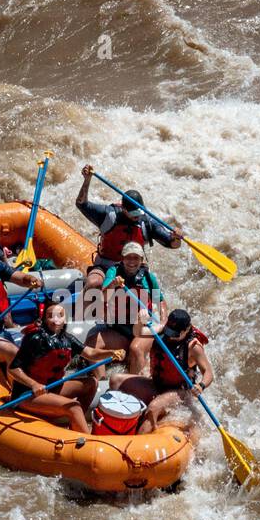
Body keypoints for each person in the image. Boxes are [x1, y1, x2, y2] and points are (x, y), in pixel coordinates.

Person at [6, 303, 123, 433]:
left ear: (65, 319)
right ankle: (87, 439)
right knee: (74, 406)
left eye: (59, 316)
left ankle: (75, 426)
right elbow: (13, 368)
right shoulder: (34, 338)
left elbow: (91, 353)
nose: (55, 320)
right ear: (44, 319)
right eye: (50, 316)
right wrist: (33, 384)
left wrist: (112, 353)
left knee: (91, 383)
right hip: (28, 394)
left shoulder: (68, 339)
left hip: (51, 388)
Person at [75, 164, 182, 293]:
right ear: (123, 209)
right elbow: (81, 204)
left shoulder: (146, 222)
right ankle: (86, 310)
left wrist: (176, 238)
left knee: (144, 291)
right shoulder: (108, 215)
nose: (137, 217)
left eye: (139, 213)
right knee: (94, 283)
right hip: (105, 264)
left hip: (133, 268)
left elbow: (172, 244)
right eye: (134, 214)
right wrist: (87, 180)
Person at [109, 309, 212, 434]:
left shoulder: (193, 347)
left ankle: (138, 442)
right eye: (169, 331)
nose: (170, 336)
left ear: (186, 330)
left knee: (153, 408)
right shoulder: (162, 330)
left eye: (175, 334)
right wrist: (140, 321)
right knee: (115, 381)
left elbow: (208, 372)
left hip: (179, 391)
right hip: (157, 384)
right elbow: (138, 332)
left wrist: (201, 386)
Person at [88, 241, 166, 375]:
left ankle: (133, 384)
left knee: (135, 349)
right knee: (92, 343)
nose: (131, 261)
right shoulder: (114, 272)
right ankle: (100, 382)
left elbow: (160, 301)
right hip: (120, 328)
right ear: (122, 258)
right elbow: (103, 297)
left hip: (143, 328)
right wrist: (113, 284)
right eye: (128, 257)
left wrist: (164, 322)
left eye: (136, 258)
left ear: (141, 260)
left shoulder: (149, 277)